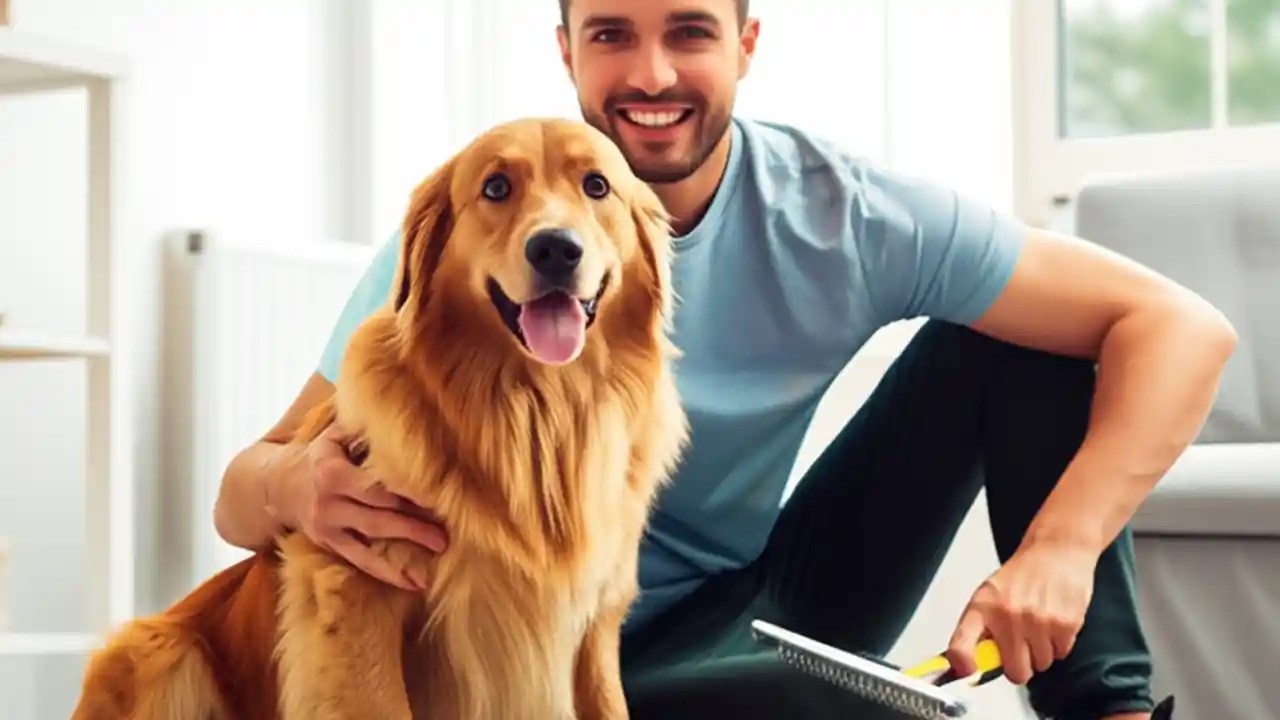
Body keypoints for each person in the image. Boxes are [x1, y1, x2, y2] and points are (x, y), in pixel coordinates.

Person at [213, 1, 1232, 717]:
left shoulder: (844, 210)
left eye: (689, 33)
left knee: (1029, 344)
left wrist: (1058, 551)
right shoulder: (473, 241)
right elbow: (236, 500)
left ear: (745, 45)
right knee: (813, 708)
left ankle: (1107, 718)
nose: (650, 75)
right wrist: (292, 484)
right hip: (557, 658)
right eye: (611, 35)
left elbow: (1180, 327)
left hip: (763, 593)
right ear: (565, 52)